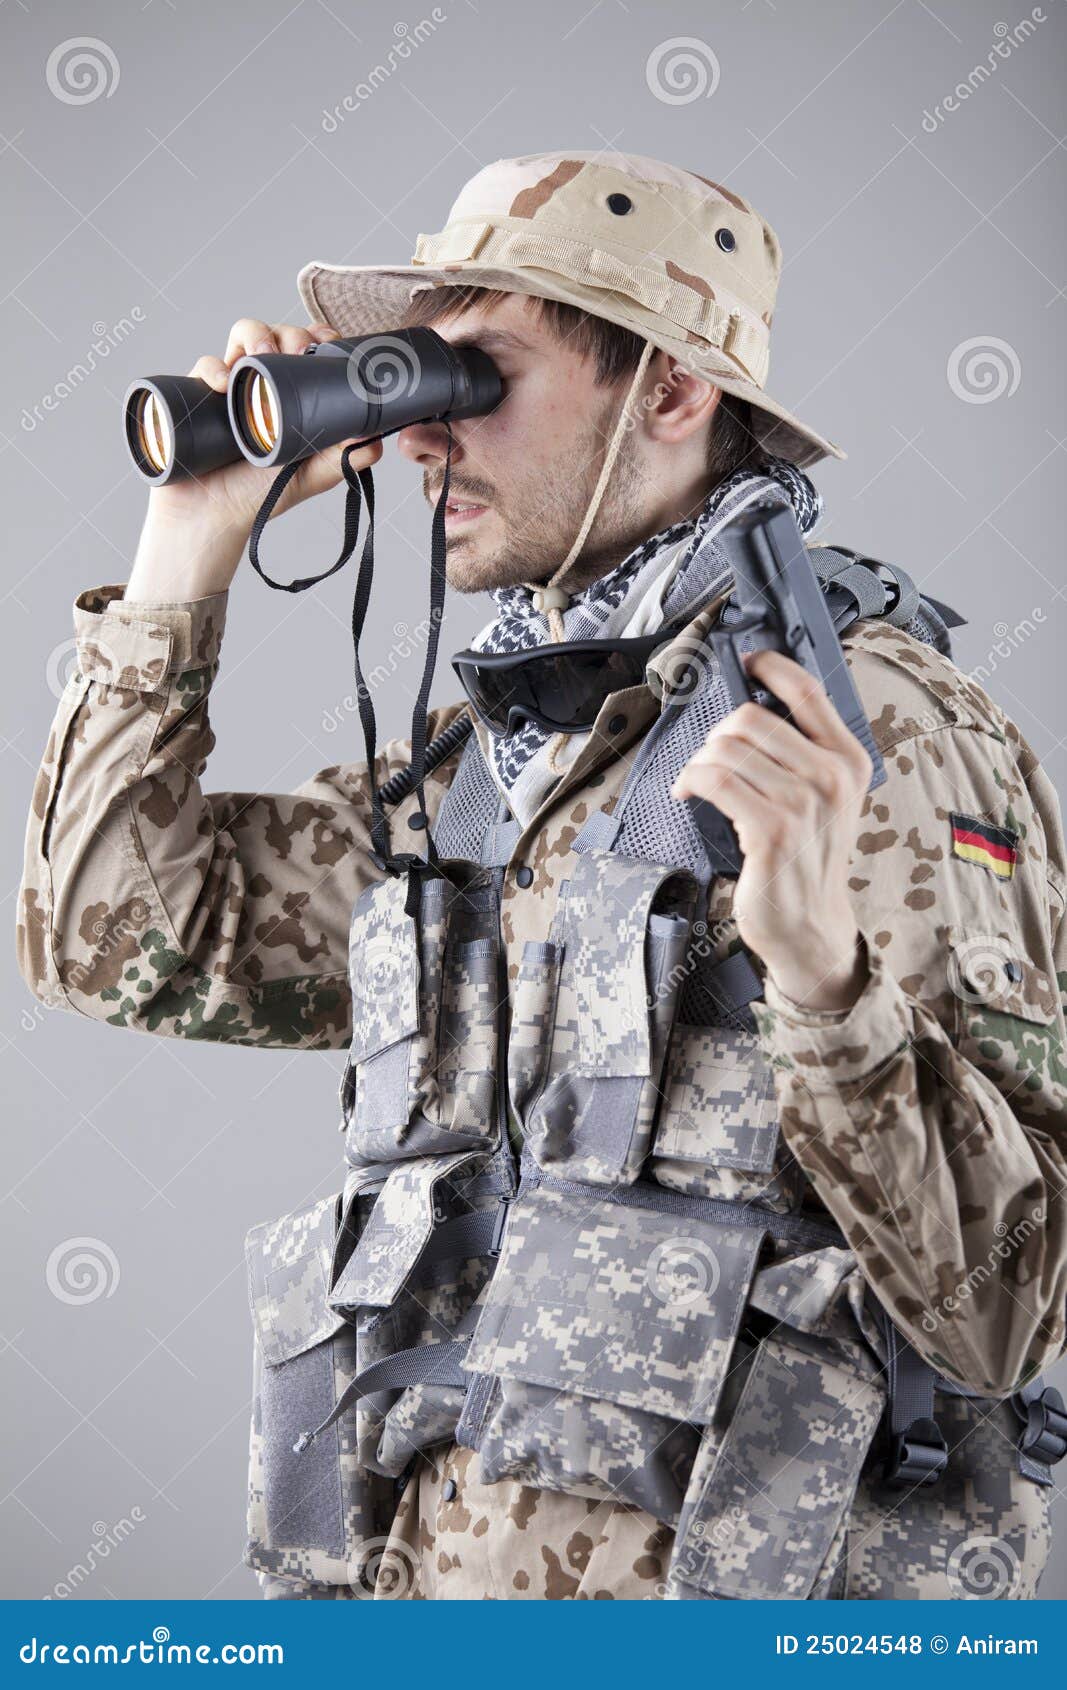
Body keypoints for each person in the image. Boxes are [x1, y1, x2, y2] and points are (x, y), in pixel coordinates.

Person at [17, 151, 1067, 1601]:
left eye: (475, 376)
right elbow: (113, 933)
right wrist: (189, 540)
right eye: (411, 382)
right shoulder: (482, 776)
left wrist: (824, 978)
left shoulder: (865, 734)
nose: (421, 439)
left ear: (674, 391)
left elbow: (1011, 1310)